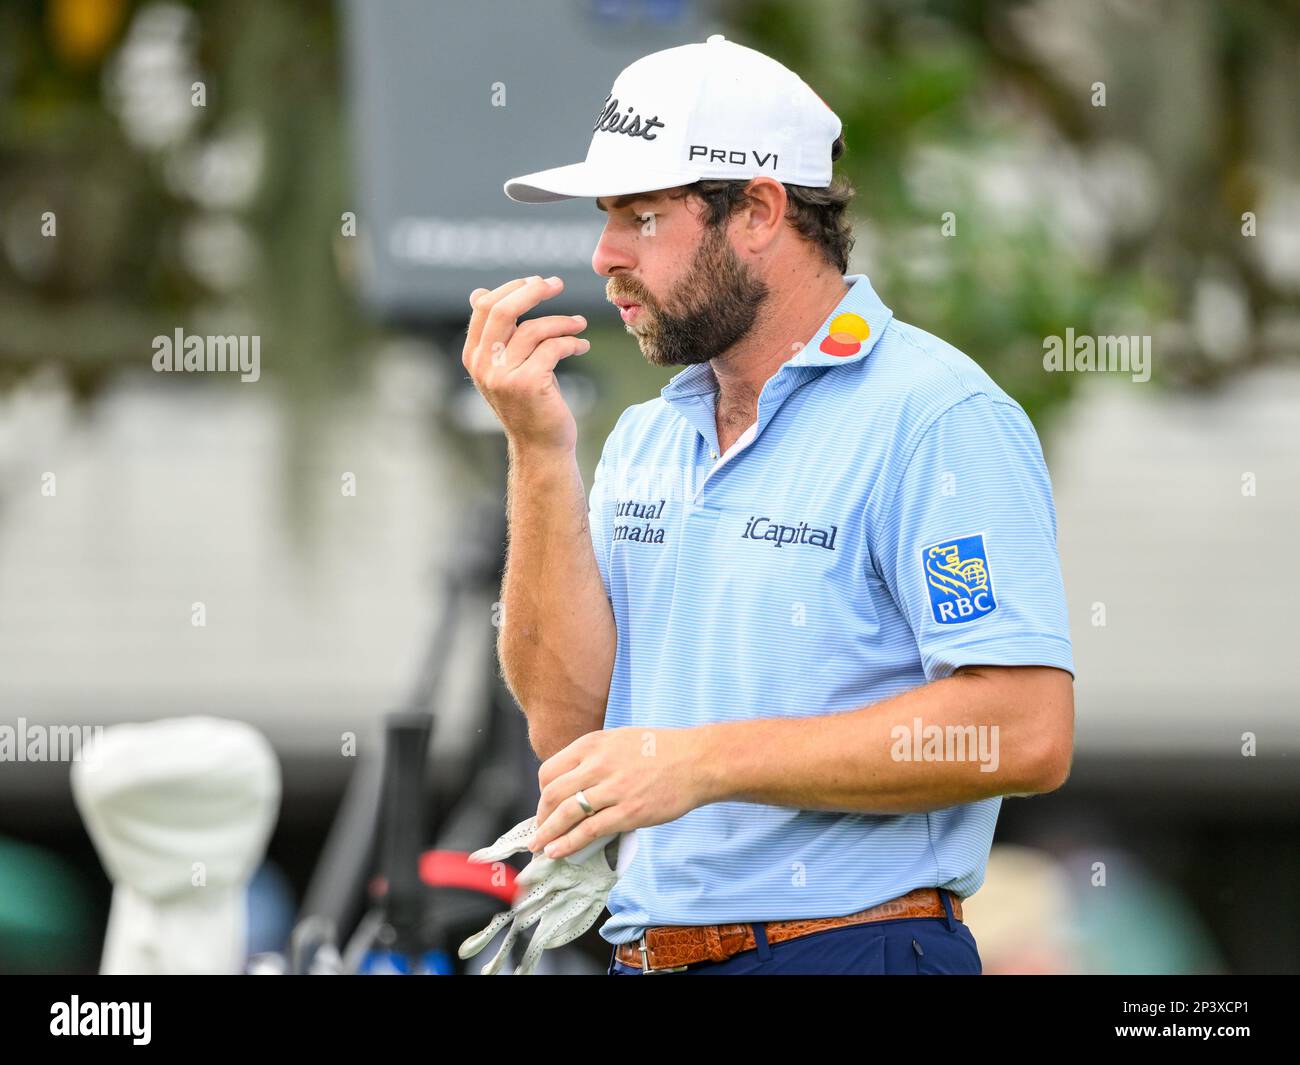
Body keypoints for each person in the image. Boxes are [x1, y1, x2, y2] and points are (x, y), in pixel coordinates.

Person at [462, 35, 1074, 975]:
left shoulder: (937, 416)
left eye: (643, 216)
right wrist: (540, 455)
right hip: (644, 955)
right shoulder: (644, 439)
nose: (605, 253)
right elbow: (573, 732)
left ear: (757, 210)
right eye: (606, 215)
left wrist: (702, 761)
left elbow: (1025, 729)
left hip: (854, 947)